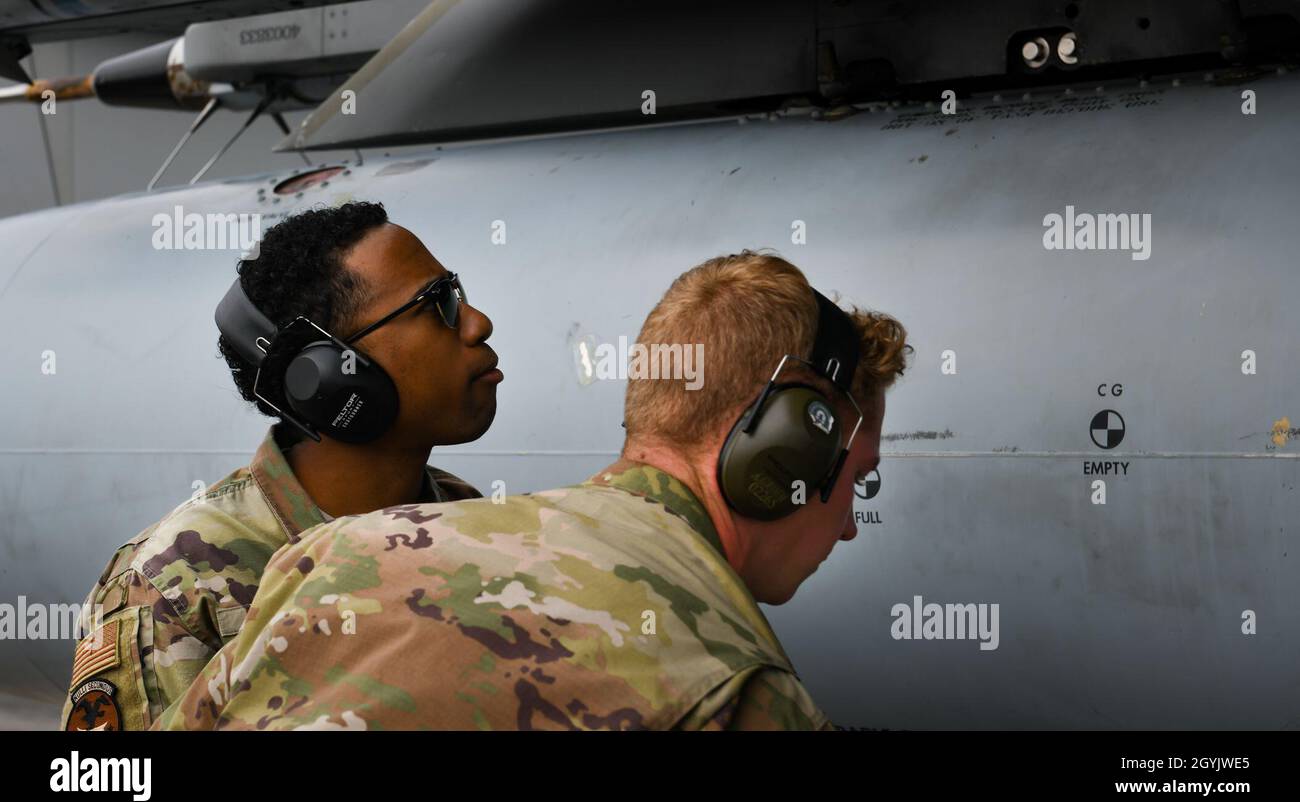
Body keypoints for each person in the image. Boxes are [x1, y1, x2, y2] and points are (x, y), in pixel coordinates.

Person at [157, 250, 909, 731]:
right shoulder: (737, 691)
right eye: (857, 474)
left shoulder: (334, 555)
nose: (848, 524)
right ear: (783, 452)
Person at [61, 201, 502, 730]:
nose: (477, 323)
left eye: (456, 294)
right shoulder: (177, 585)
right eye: (437, 305)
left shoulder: (466, 519)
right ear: (329, 377)